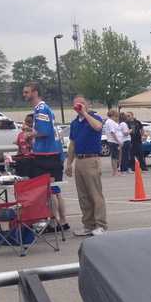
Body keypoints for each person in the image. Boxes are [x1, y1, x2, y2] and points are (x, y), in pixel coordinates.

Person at [22, 81, 70, 231]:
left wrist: (29, 134)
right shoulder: (44, 109)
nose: (24, 95)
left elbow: (44, 132)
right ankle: (62, 221)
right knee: (56, 190)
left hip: (46, 155)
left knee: (49, 191)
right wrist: (32, 130)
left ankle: (54, 222)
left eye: (27, 92)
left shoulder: (41, 109)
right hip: (53, 153)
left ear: (35, 92)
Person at [65, 96, 107, 236]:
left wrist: (85, 113)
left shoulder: (94, 117)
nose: (79, 106)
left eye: (82, 103)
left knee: (95, 194)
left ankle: (100, 224)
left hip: (91, 159)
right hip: (79, 160)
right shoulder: (75, 123)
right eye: (76, 104)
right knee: (83, 195)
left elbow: (98, 127)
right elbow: (72, 144)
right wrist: (69, 163)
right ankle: (88, 224)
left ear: (88, 104)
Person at [103, 110, 122, 176]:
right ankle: (115, 171)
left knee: (115, 157)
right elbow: (112, 132)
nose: (117, 118)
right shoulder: (110, 122)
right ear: (113, 115)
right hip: (113, 141)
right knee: (114, 157)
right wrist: (118, 141)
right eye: (116, 116)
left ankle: (115, 171)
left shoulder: (111, 122)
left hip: (113, 141)